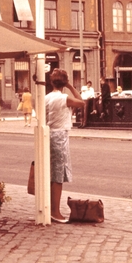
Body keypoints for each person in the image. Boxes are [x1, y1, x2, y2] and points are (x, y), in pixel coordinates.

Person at [46, 68, 85, 223]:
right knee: (58, 176)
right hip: (60, 136)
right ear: (64, 82)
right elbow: (82, 102)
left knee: (51, 174)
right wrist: (70, 86)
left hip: (48, 134)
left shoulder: (46, 97)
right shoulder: (63, 98)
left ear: (51, 82)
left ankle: (49, 207)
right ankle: (55, 212)